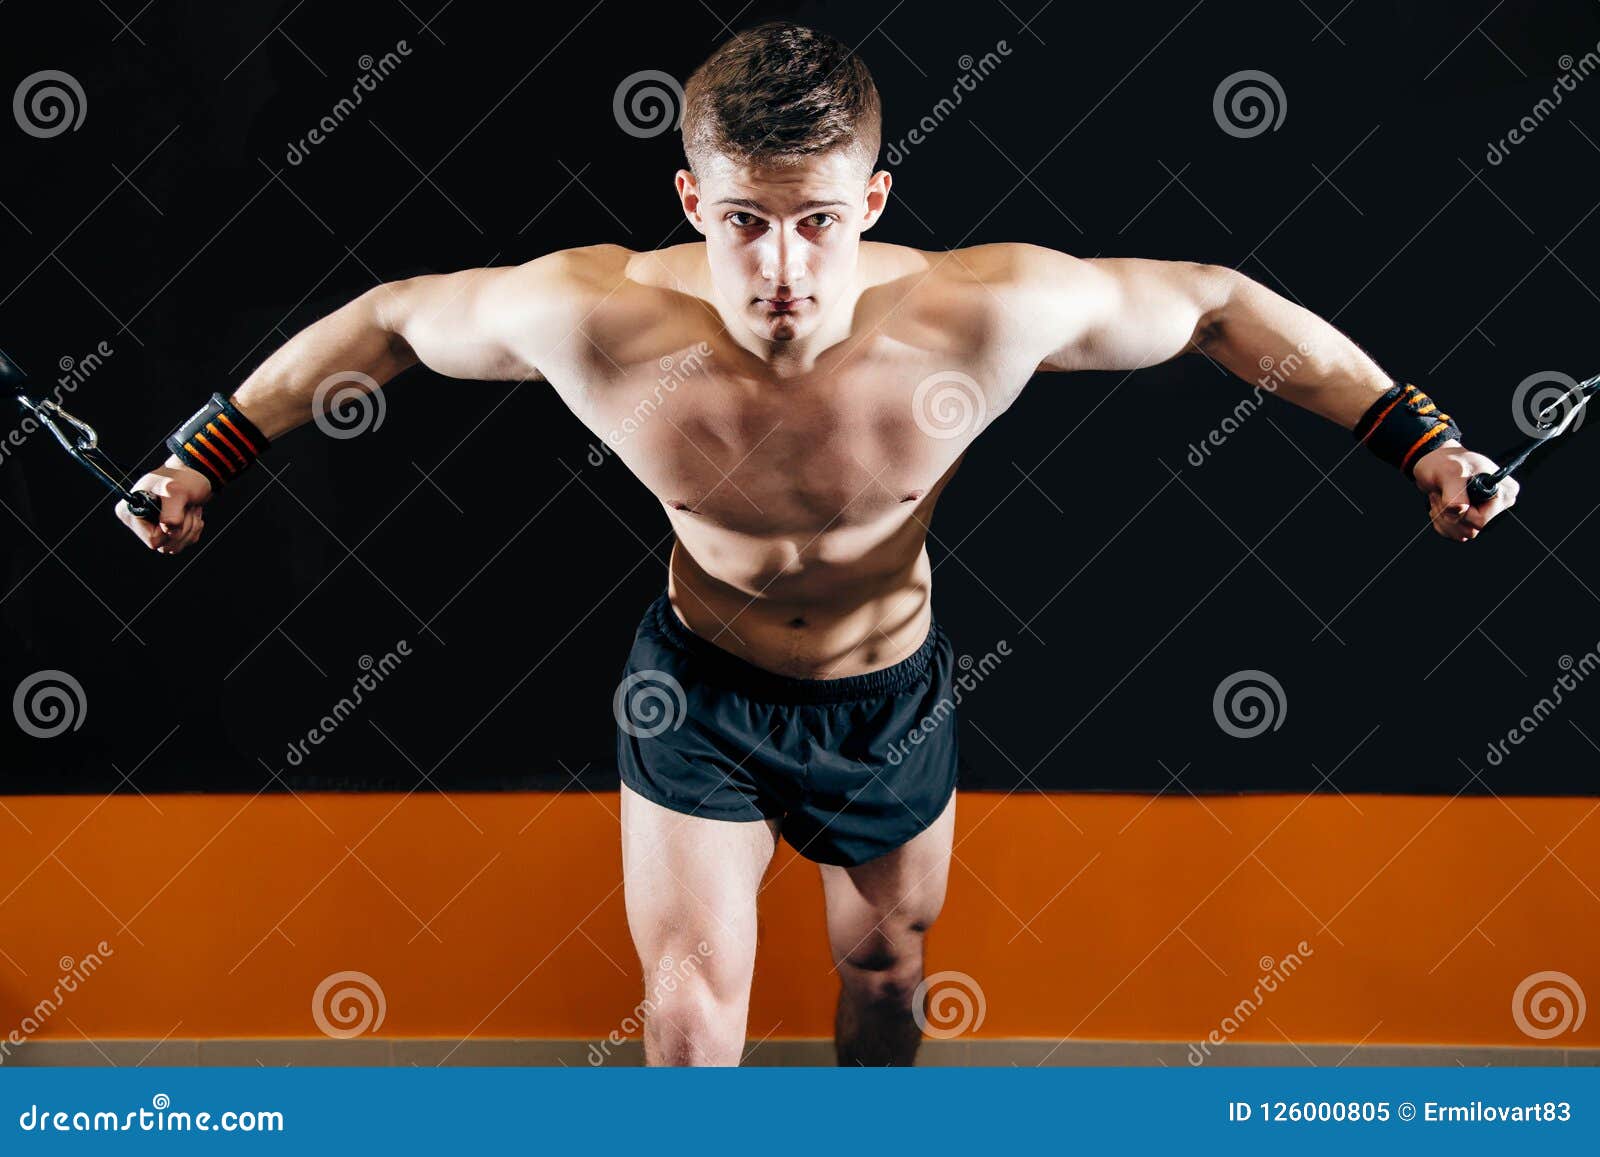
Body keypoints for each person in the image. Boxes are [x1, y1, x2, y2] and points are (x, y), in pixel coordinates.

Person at [115, 22, 1517, 1066]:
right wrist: (203, 458)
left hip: (886, 694)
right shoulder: (597, 322)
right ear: (688, 206)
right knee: (684, 1019)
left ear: (875, 205)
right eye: (743, 224)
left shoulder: (984, 316)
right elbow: (387, 320)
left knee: (891, 977)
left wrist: (1421, 438)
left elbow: (1215, 303)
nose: (782, 270)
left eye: (816, 223)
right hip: (695, 691)